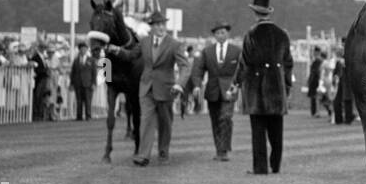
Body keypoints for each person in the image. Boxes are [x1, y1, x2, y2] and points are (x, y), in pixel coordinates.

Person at [109, 11, 187, 166]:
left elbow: (185, 66)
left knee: (165, 124)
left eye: (162, 24)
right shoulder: (144, 42)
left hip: (166, 89)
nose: (161, 27)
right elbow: (131, 55)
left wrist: (179, 83)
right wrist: (117, 50)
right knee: (146, 121)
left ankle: (163, 152)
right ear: (151, 27)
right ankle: (143, 155)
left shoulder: (175, 44)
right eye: (157, 24)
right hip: (146, 88)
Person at [233, 0, 293, 175]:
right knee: (277, 132)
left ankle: (260, 167)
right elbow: (288, 63)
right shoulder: (282, 35)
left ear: (255, 13)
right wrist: (287, 85)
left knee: (258, 132)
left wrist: (236, 82)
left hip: (256, 90)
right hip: (276, 88)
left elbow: (244, 63)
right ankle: (275, 165)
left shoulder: (251, 34)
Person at [184, 22, 241, 161]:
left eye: (223, 32)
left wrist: (236, 84)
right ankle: (219, 149)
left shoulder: (236, 51)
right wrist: (197, 85)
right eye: (218, 33)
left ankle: (224, 150)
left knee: (226, 118)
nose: (221, 35)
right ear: (214, 35)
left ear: (228, 34)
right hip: (212, 90)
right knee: (215, 120)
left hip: (230, 89)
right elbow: (198, 69)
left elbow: (241, 69)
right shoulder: (207, 51)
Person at [70, 41, 95, 120]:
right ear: (79, 50)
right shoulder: (76, 60)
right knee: (79, 101)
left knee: (88, 101)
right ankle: (79, 116)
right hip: (78, 83)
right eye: (82, 49)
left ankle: (88, 115)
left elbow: (94, 72)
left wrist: (94, 83)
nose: (83, 50)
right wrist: (72, 83)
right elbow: (73, 72)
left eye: (85, 49)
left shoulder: (91, 60)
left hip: (88, 83)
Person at [307, 47, 324, 117]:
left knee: (317, 97)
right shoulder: (316, 61)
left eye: (315, 52)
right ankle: (314, 112)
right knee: (314, 97)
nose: (314, 53)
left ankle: (316, 112)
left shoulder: (319, 61)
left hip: (316, 81)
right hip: (314, 80)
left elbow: (316, 72)